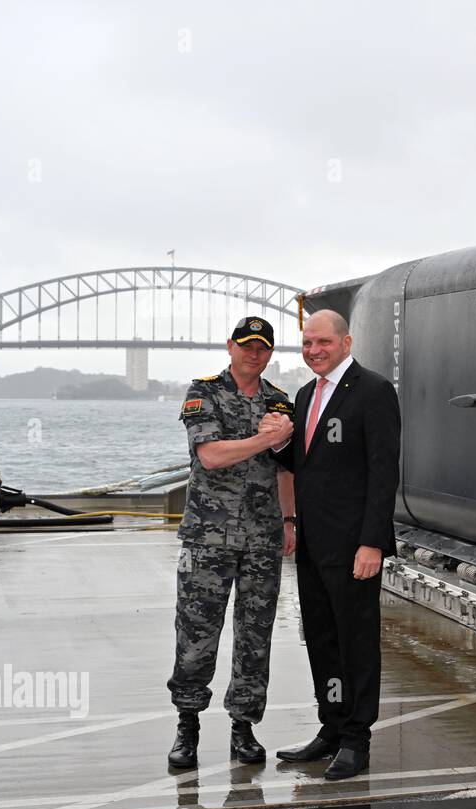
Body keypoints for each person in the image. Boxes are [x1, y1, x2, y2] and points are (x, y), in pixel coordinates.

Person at [266, 309, 400, 780]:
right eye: (306, 343)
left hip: (353, 546)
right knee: (321, 638)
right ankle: (331, 725)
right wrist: (277, 441)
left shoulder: (374, 391)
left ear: (346, 342)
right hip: (313, 542)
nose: (313, 350)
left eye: (323, 341)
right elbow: (308, 464)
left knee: (356, 640)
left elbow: (384, 474)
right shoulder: (305, 395)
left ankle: (357, 739)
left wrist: (372, 544)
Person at [166, 317, 296, 770]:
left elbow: (284, 470)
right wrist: (264, 437)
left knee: (254, 636)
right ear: (230, 347)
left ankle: (244, 727)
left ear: (270, 353)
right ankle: (188, 725)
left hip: (263, 538)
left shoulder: (279, 401)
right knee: (197, 633)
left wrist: (290, 521)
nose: (253, 353)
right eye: (246, 345)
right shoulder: (203, 392)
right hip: (208, 538)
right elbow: (211, 455)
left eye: (261, 347)